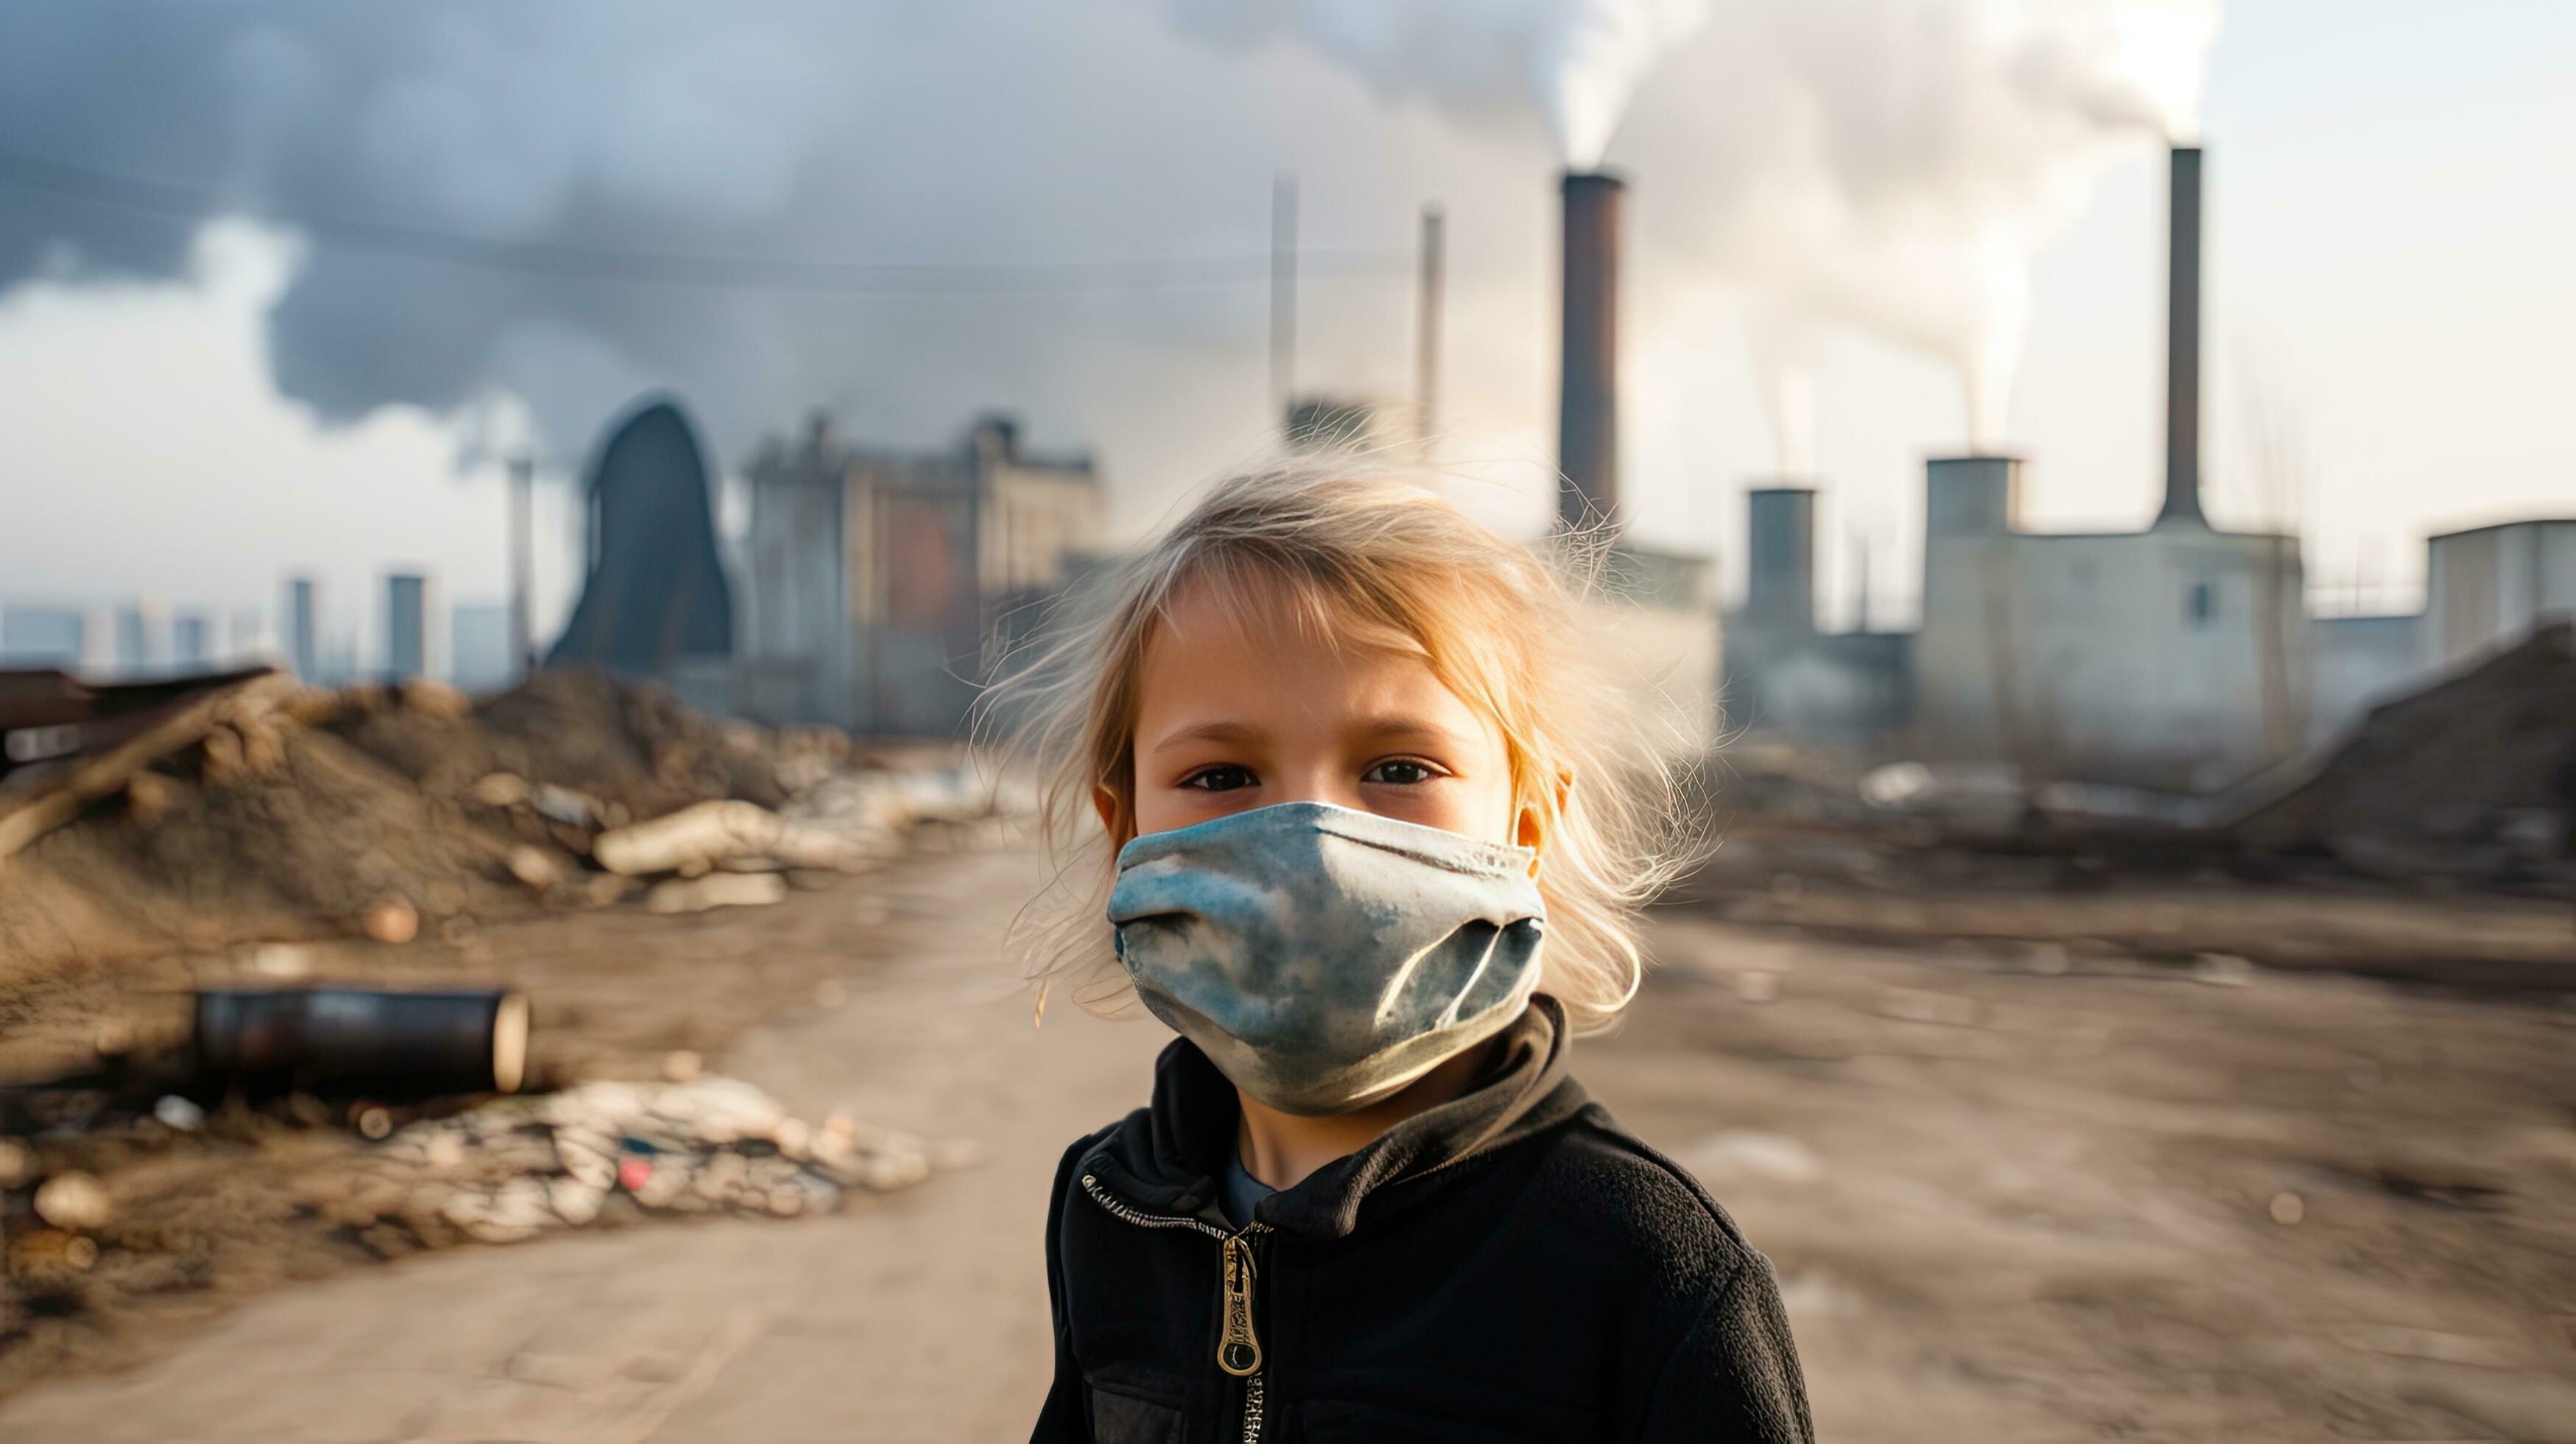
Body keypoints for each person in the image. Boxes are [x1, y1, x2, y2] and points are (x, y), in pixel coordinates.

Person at [999, 455, 1812, 1442]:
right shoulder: (1109, 1208)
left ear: (1526, 828)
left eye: (1397, 767)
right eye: (1220, 775)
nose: (1316, 845)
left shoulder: (1644, 1268)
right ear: (1125, 832)